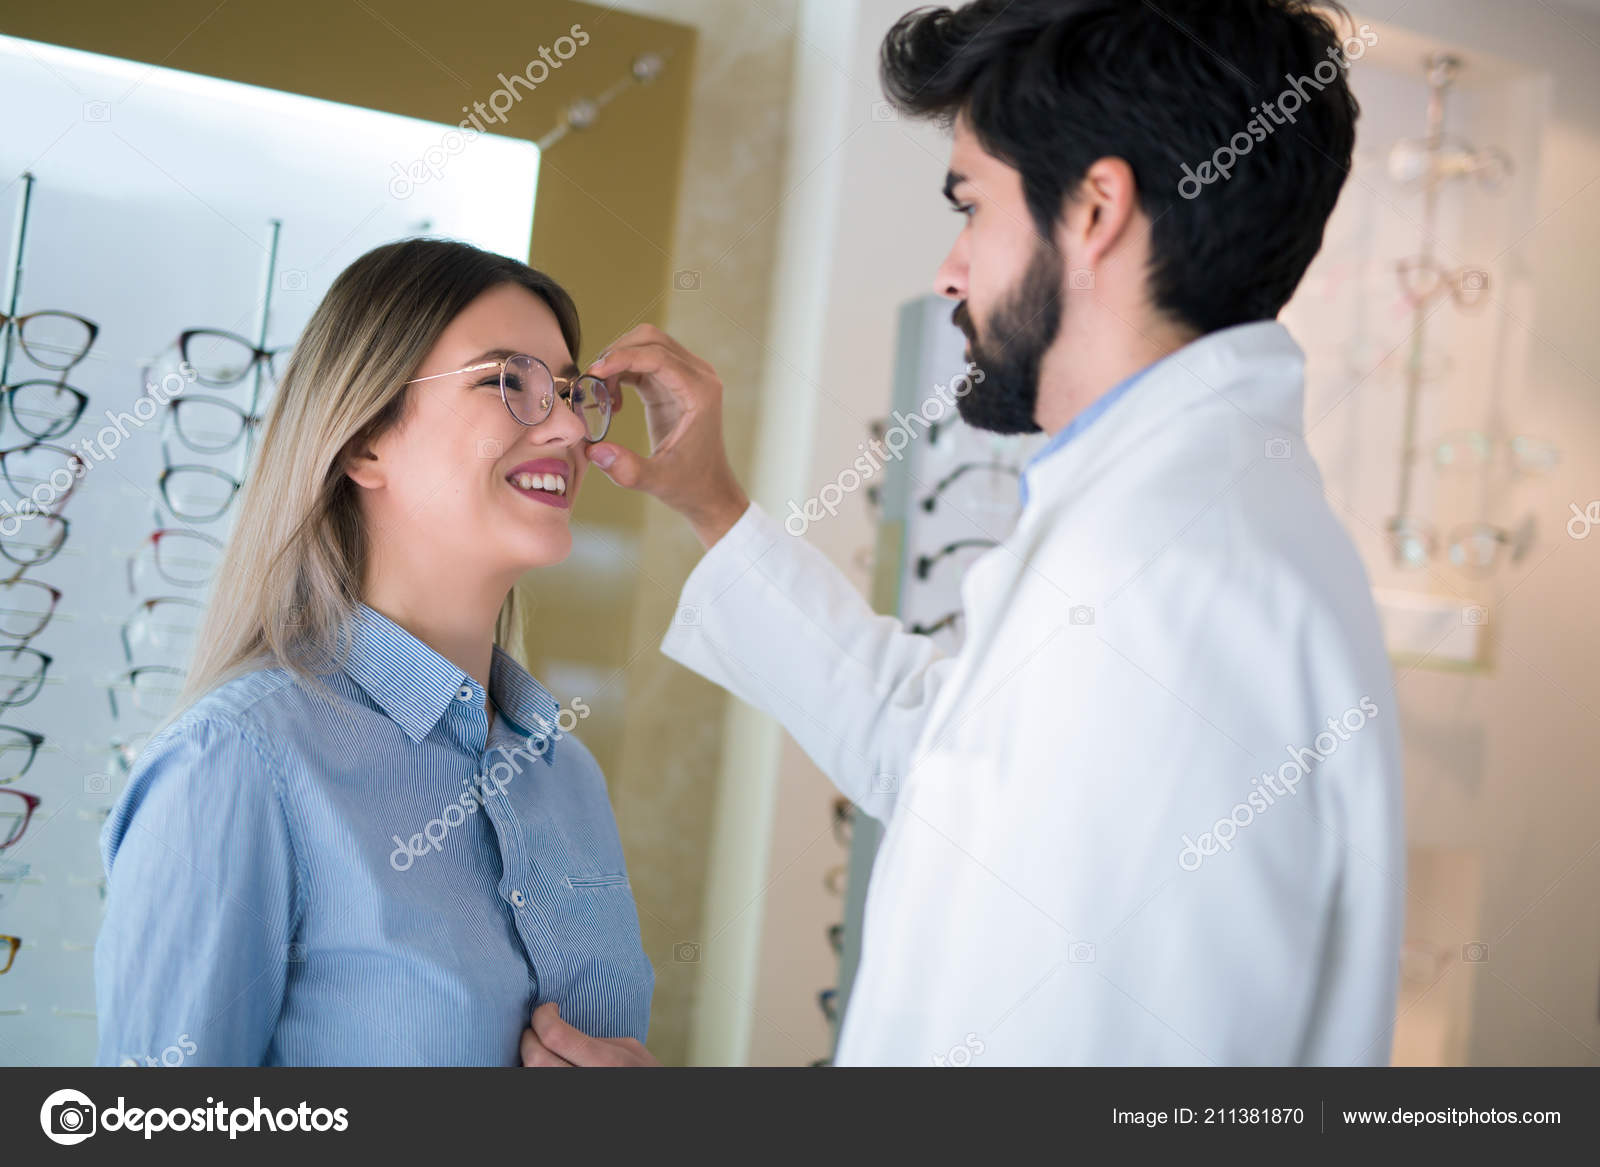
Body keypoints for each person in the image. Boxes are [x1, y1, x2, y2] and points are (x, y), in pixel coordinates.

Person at [520, 0, 1402, 1066]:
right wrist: (715, 507)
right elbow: (944, 769)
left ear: (1095, 211)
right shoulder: (1166, 527)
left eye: (972, 206)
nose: (949, 270)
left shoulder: (1172, 581)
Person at [96, 238, 654, 1066]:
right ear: (364, 441)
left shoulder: (565, 775)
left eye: (572, 393)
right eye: (508, 382)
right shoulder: (236, 762)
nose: (571, 426)